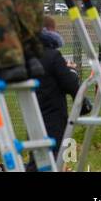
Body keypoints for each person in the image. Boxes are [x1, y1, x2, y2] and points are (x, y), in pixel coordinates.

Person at [34, 15, 81, 154]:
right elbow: (69, 83)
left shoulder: (30, 55)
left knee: (37, 157)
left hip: (34, 114)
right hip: (53, 116)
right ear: (50, 31)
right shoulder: (53, 56)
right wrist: (71, 70)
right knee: (56, 156)